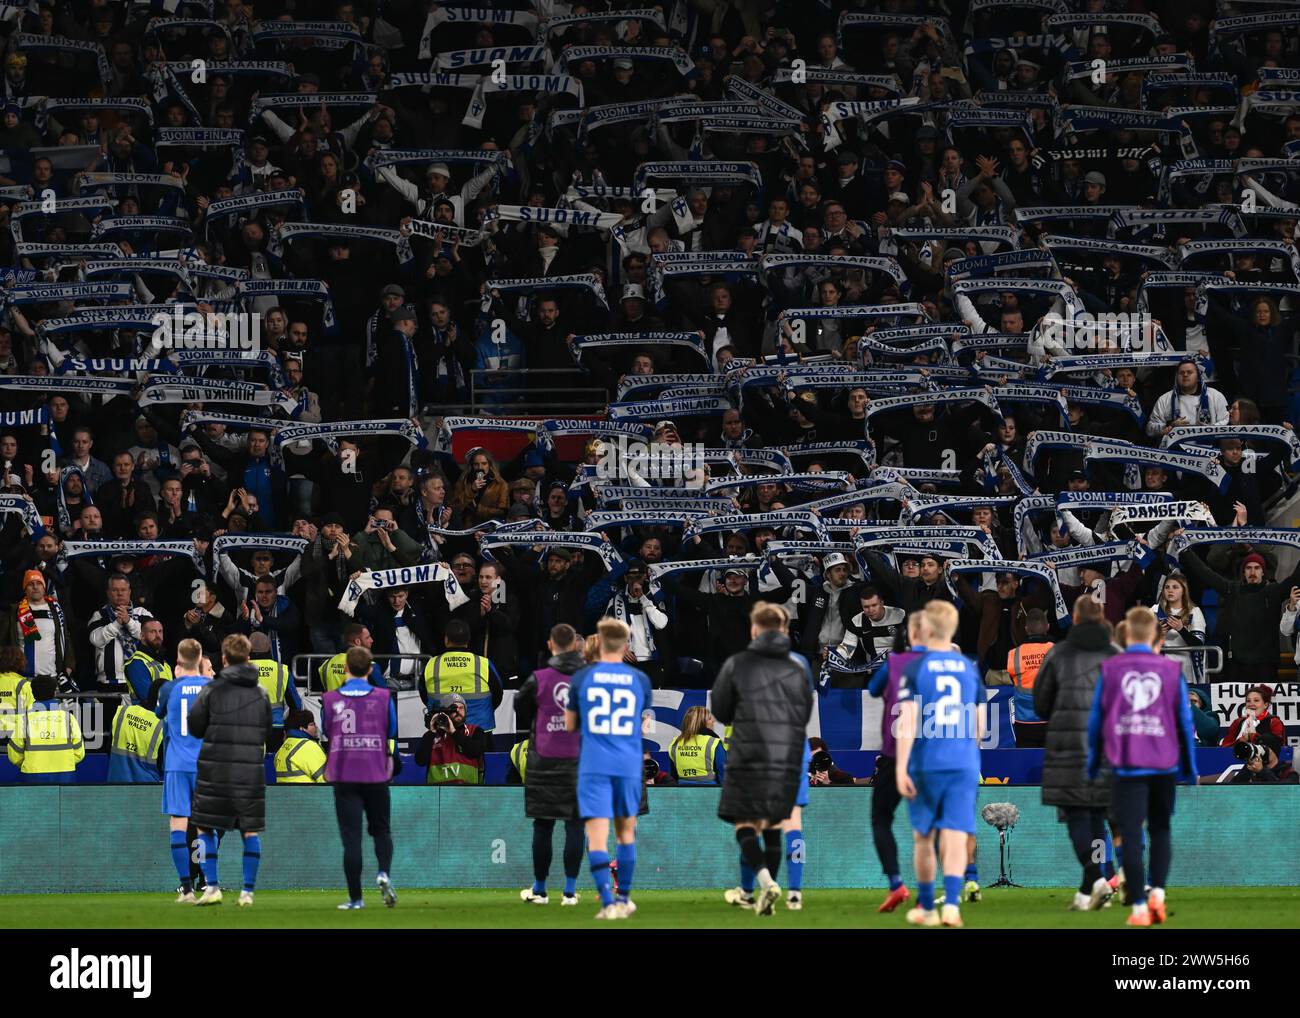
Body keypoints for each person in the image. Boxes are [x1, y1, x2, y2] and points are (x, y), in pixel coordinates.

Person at [1087, 606, 1198, 927]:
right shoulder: (1170, 671)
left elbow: (1097, 722)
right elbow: (1183, 722)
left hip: (1126, 765)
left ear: (1127, 634)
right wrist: (1189, 767)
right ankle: (1158, 896)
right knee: (1161, 829)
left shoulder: (1111, 669)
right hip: (1163, 765)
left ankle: (1138, 908)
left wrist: (1094, 764)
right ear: (1154, 635)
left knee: (1131, 834)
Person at [711, 602, 813, 917]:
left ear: (754, 629)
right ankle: (794, 893)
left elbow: (721, 711)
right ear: (784, 630)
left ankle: (751, 887)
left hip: (750, 752)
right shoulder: (799, 665)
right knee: (787, 822)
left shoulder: (738, 663)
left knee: (748, 824)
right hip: (792, 752)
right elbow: (805, 710)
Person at [895, 600, 983, 928]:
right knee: (956, 834)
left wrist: (901, 767)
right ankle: (953, 906)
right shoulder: (969, 668)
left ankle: (928, 906)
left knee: (924, 836)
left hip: (927, 762)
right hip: (963, 762)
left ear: (927, 630)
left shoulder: (915, 667)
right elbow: (979, 726)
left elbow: (907, 720)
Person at [1033, 595, 1119, 911]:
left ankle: (1095, 880)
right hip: (1107, 747)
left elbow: (1040, 703)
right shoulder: (1115, 655)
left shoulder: (1059, 653)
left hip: (1067, 745)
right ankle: (1089, 892)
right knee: (1097, 815)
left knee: (1076, 816)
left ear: (1076, 618)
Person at [565, 618, 653, 920]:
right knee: (626, 833)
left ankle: (607, 902)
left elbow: (570, 725)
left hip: (595, 764)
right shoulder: (640, 680)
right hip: (628, 764)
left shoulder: (582, 678)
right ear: (626, 645)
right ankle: (625, 898)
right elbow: (639, 718)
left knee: (597, 835)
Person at [188, 634, 273, 908]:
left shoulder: (211, 690)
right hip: (249, 772)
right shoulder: (261, 692)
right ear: (248, 658)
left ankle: (211, 887)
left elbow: (195, 728)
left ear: (224, 659)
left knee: (206, 827)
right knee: (250, 832)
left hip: (217, 769)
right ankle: (247, 892)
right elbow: (267, 732)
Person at [515, 623, 586, 907]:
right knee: (575, 825)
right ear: (574, 646)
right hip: (579, 761)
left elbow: (520, 706)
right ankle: (569, 892)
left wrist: (543, 721)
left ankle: (540, 890)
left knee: (543, 826)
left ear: (551, 645)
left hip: (544, 759)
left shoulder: (539, 677)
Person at [323, 646, 399, 910]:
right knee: (381, 830)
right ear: (370, 669)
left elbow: (327, 730)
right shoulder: (383, 696)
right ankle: (383, 873)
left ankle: (356, 899)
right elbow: (391, 729)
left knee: (352, 839)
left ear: (345, 669)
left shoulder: (330, 699)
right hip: (376, 773)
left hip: (344, 775)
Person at [864, 613, 925, 913]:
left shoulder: (895, 663)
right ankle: (957, 883)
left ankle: (896, 883)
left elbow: (874, 689)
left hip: (895, 754)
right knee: (935, 823)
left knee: (881, 817)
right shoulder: (946, 665)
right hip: (932, 756)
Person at [157, 640, 212, 903]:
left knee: (178, 826)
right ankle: (210, 884)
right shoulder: (212, 688)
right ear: (200, 658)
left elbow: (159, 713)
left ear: (178, 661)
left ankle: (187, 888)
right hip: (204, 766)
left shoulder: (169, 688)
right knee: (204, 827)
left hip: (177, 766)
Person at [420, 619, 503, 750]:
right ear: (468, 639)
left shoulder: (431, 664)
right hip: (479, 730)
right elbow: (498, 694)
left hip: (443, 730)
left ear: (446, 639)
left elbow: (424, 695)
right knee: (484, 768)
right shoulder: (482, 663)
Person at [6, 674, 84, 782]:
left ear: (33, 694)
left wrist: (29, 763)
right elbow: (79, 752)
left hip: (32, 777)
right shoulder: (68, 718)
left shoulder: (25, 720)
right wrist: (65, 763)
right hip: (65, 777)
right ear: (55, 693)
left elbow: (14, 754)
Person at [415, 691, 487, 784]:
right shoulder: (432, 735)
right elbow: (420, 761)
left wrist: (453, 732)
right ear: (444, 712)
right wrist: (431, 732)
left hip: (468, 792)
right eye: (453, 709)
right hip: (438, 794)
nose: (458, 711)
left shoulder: (475, 731)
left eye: (461, 708)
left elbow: (475, 751)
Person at [1007, 609, 1054, 748]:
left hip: (1024, 723)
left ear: (1026, 629)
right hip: (1050, 721)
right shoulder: (1057, 651)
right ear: (1048, 627)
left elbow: (1012, 679)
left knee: (1025, 764)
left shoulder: (1014, 654)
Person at [669, 706, 726, 784]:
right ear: (701, 722)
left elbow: (673, 775)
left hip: (683, 791)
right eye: (709, 718)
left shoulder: (675, 743)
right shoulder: (713, 743)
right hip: (710, 791)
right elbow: (723, 773)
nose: (713, 721)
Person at [319, 624, 385, 691]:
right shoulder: (368, 665)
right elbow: (383, 695)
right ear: (357, 641)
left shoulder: (327, 664)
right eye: (367, 637)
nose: (372, 640)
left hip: (333, 701)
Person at [1220, 684, 1286, 747]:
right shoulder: (1238, 722)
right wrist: (1240, 741)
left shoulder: (1274, 722)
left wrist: (1253, 737)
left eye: (1256, 700)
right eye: (1248, 701)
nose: (1251, 704)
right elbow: (1224, 747)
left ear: (1266, 705)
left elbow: (1278, 747)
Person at [274, 708, 327, 784]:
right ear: (302, 728)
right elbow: (325, 780)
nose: (316, 727)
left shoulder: (284, 746)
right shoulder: (309, 747)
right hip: (308, 794)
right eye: (311, 724)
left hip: (283, 794)